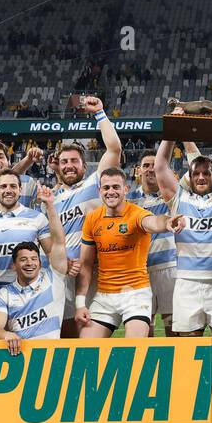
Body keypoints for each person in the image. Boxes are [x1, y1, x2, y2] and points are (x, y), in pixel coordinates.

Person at [154, 107, 212, 337]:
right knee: (187, 349)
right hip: (186, 283)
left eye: (206, 173)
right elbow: (160, 166)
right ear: (190, 177)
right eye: (196, 173)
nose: (201, 177)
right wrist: (173, 127)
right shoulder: (178, 199)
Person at [74, 168, 185, 338]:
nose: (111, 192)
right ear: (99, 191)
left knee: (133, 347)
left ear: (126, 189)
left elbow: (153, 222)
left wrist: (167, 222)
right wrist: (80, 303)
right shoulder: (92, 219)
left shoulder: (136, 214)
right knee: (86, 349)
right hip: (104, 296)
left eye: (116, 187)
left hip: (136, 294)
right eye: (106, 188)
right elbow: (86, 264)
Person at [48, 97, 122, 336]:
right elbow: (48, 239)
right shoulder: (51, 199)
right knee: (65, 332)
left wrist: (100, 113)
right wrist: (61, 263)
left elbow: (114, 149)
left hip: (92, 270)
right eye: (64, 162)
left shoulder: (94, 184)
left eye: (74, 161)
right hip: (62, 272)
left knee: (90, 332)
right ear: (57, 167)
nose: (69, 165)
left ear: (84, 165)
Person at [0, 184, 71, 346]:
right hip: (20, 356)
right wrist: (6, 334)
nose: (29, 263)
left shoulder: (54, 278)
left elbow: (59, 242)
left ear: (40, 263)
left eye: (34, 259)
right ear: (14, 266)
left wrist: (50, 206)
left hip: (51, 354)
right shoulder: (5, 293)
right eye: (23, 259)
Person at [0, 171, 51, 288]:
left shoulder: (38, 218)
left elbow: (51, 254)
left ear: (20, 190)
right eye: (3, 186)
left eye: (13, 186)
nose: (8, 190)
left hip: (30, 292)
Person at [130, 152, 179, 333]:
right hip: (140, 272)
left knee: (172, 328)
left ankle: (175, 362)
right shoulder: (127, 200)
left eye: (154, 165)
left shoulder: (172, 197)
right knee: (144, 329)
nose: (150, 169)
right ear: (138, 170)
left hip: (169, 268)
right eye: (146, 165)